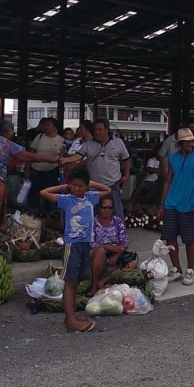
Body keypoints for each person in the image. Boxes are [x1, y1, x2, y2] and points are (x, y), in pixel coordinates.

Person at [39, 168, 110, 332]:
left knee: (77, 281)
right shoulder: (66, 200)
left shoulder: (91, 197)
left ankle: (71, 317)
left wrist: (91, 184)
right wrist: (64, 186)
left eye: (80, 186)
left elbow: (107, 190)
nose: (76, 188)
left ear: (87, 186)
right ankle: (71, 320)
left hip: (85, 244)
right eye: (74, 185)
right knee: (70, 282)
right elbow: (43, 192)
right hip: (72, 245)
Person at [157, 128, 194, 286]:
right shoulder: (173, 158)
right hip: (171, 203)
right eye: (187, 141)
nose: (191, 144)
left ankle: (190, 270)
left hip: (189, 205)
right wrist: (162, 205)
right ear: (180, 143)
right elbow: (168, 181)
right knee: (170, 238)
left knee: (189, 240)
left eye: (192, 141)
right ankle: (176, 269)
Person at [66, 119, 132, 219]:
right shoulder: (88, 144)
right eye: (95, 130)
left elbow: (126, 159)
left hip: (112, 184)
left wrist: (126, 175)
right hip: (94, 186)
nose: (97, 132)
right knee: (93, 212)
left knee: (116, 211)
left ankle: (120, 229)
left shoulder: (118, 142)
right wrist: (65, 160)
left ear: (106, 129)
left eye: (99, 130)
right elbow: (78, 156)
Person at [91, 199, 137, 290]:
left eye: (110, 208)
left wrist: (116, 255)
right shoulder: (93, 222)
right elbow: (90, 243)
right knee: (100, 251)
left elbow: (124, 243)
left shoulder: (117, 221)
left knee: (132, 264)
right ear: (99, 208)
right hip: (97, 253)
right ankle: (94, 285)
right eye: (104, 207)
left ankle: (104, 281)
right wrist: (108, 247)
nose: (107, 210)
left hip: (114, 254)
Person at [24, 117, 66, 215]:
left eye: (48, 125)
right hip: (36, 169)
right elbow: (31, 154)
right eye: (45, 125)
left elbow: (62, 157)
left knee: (49, 190)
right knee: (35, 190)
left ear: (54, 128)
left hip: (52, 170)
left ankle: (49, 212)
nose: (45, 127)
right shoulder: (39, 137)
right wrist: (27, 169)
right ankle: (33, 211)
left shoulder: (61, 140)